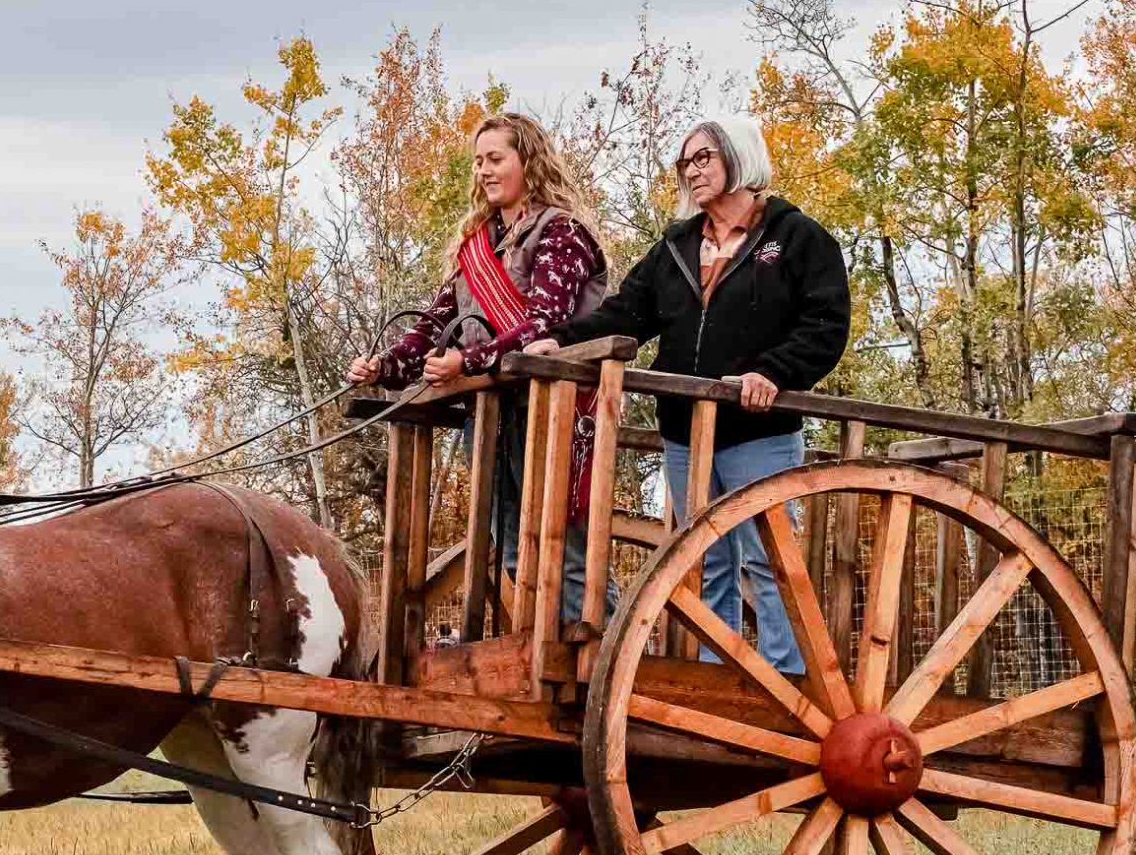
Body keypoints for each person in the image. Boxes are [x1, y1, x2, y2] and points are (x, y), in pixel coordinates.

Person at [531, 114, 849, 672]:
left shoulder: (797, 239)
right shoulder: (675, 247)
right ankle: (712, 673)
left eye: (703, 157)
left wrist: (773, 371)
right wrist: (559, 339)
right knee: (705, 559)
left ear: (739, 157)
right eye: (685, 163)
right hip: (686, 434)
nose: (691, 171)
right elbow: (622, 314)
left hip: (759, 429)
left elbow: (825, 324)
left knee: (768, 556)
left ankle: (788, 677)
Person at [349, 111, 610, 617]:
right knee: (513, 545)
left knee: (567, 551)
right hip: (490, 414)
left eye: (496, 158)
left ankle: (606, 661)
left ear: (528, 161)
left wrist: (466, 362)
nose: (484, 171)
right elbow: (431, 327)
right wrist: (383, 367)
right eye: (478, 162)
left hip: (554, 410)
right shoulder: (477, 246)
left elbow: (543, 325)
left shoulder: (562, 235)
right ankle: (551, 654)